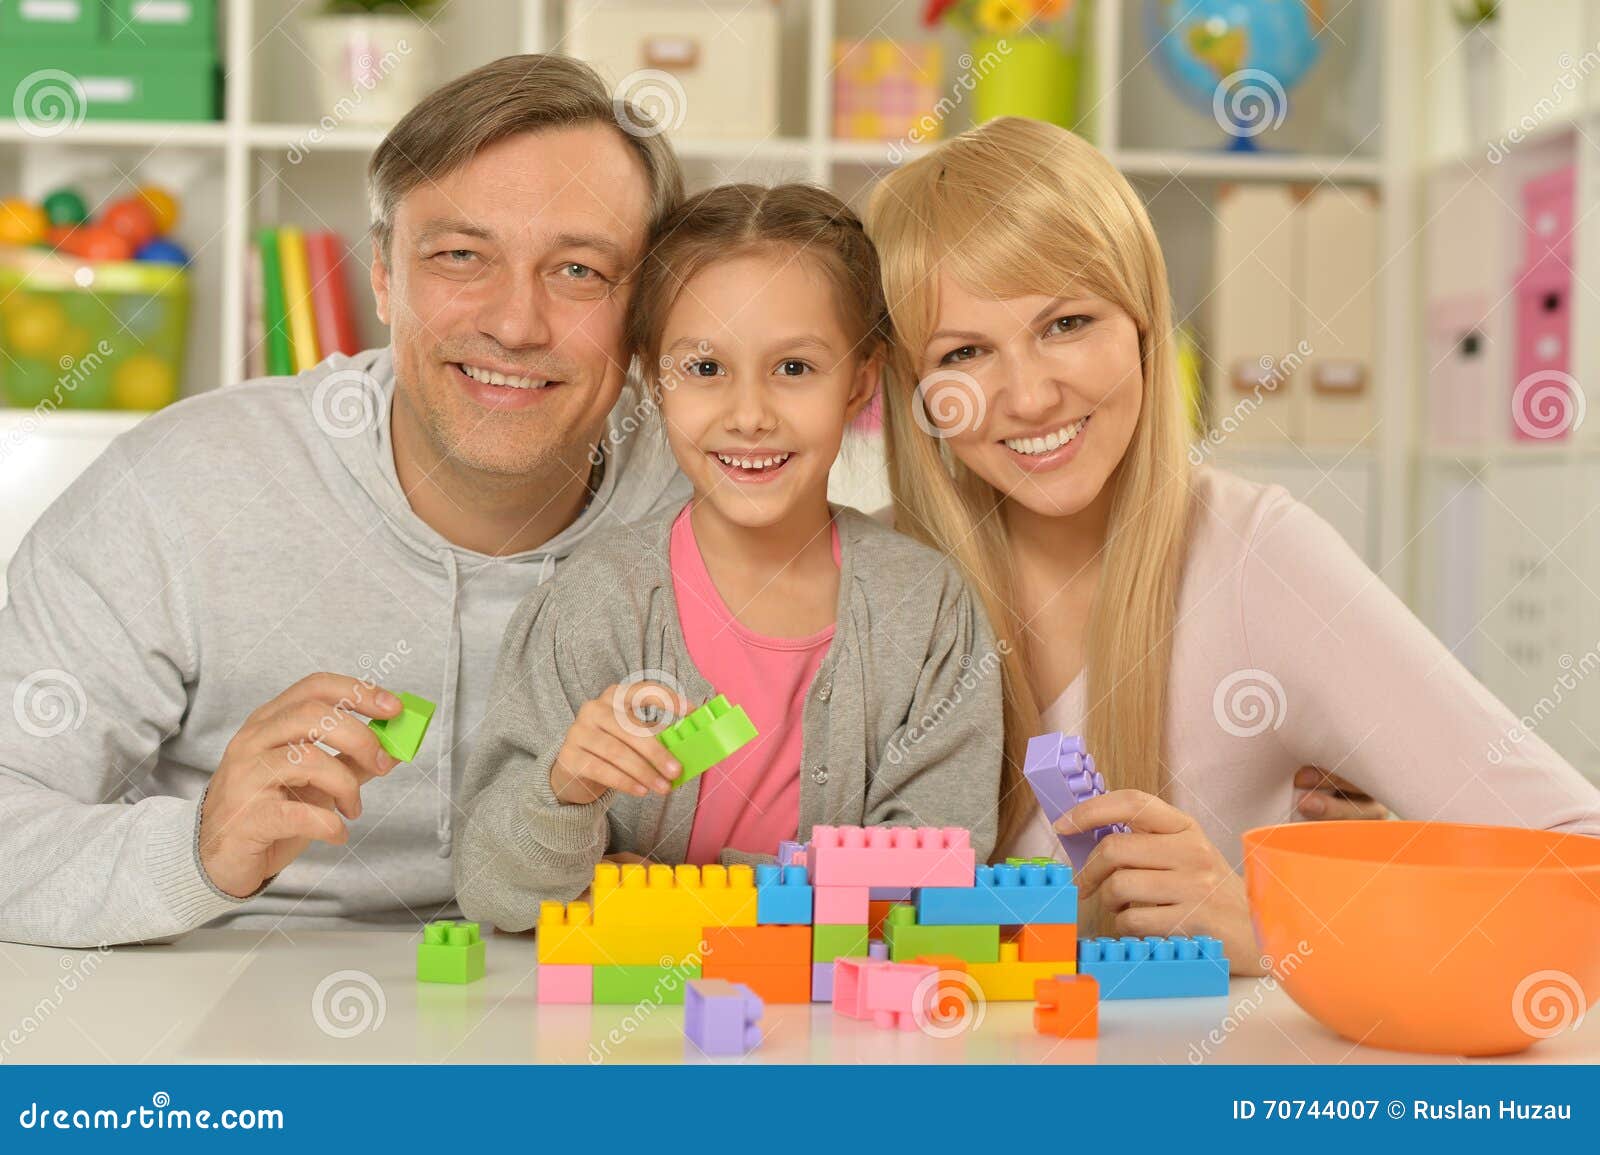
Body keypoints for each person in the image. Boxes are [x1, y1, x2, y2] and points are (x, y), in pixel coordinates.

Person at [865, 117, 1600, 973]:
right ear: (914, 391)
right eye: (964, 352)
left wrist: (1282, 928)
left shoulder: (1259, 559)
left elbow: (1573, 858)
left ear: (1144, 323)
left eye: (1067, 323)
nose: (1029, 395)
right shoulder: (866, 582)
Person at [0, 55, 689, 947]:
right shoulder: (174, 489)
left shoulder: (713, 505)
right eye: (459, 256)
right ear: (384, 277)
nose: (516, 324)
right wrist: (199, 848)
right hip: (227, 1021)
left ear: (647, 310)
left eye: (580, 272)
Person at [454, 184, 1001, 930]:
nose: (749, 415)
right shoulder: (592, 604)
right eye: (705, 369)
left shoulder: (927, 611)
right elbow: (493, 890)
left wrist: (695, 900)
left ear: (860, 384)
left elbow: (939, 880)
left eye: (796, 368)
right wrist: (565, 787)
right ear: (654, 380)